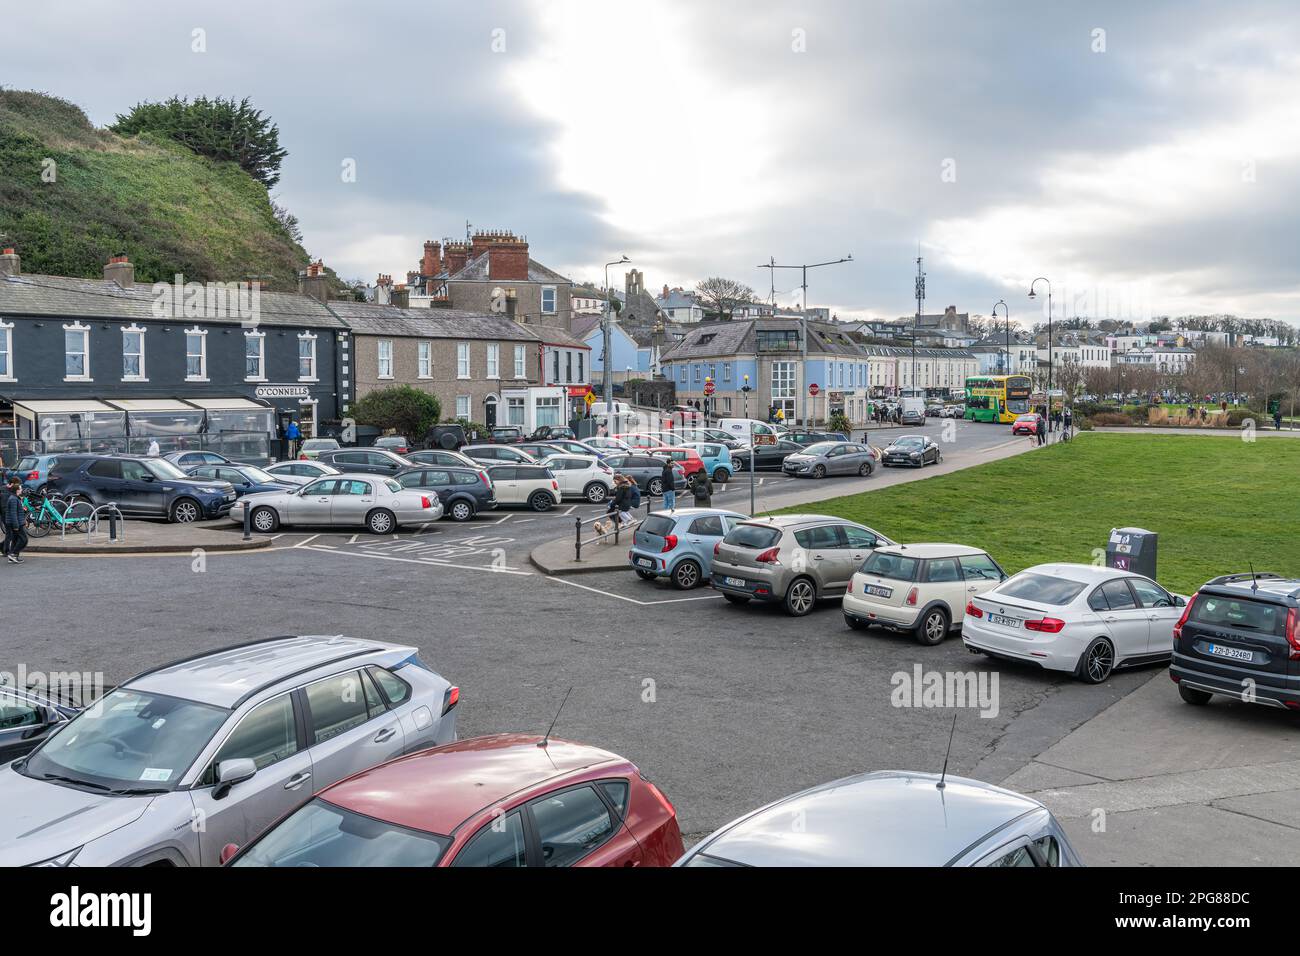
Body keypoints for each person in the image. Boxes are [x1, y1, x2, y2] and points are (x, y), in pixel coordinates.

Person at [4, 478, 27, 564]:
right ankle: (13, 554)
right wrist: (16, 526)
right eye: (20, 488)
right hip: (16, 523)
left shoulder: (15, 498)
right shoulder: (13, 499)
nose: (21, 490)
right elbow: (13, 513)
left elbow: (17, 512)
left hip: (16, 522)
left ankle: (12, 557)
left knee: (15, 539)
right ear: (17, 490)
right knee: (24, 540)